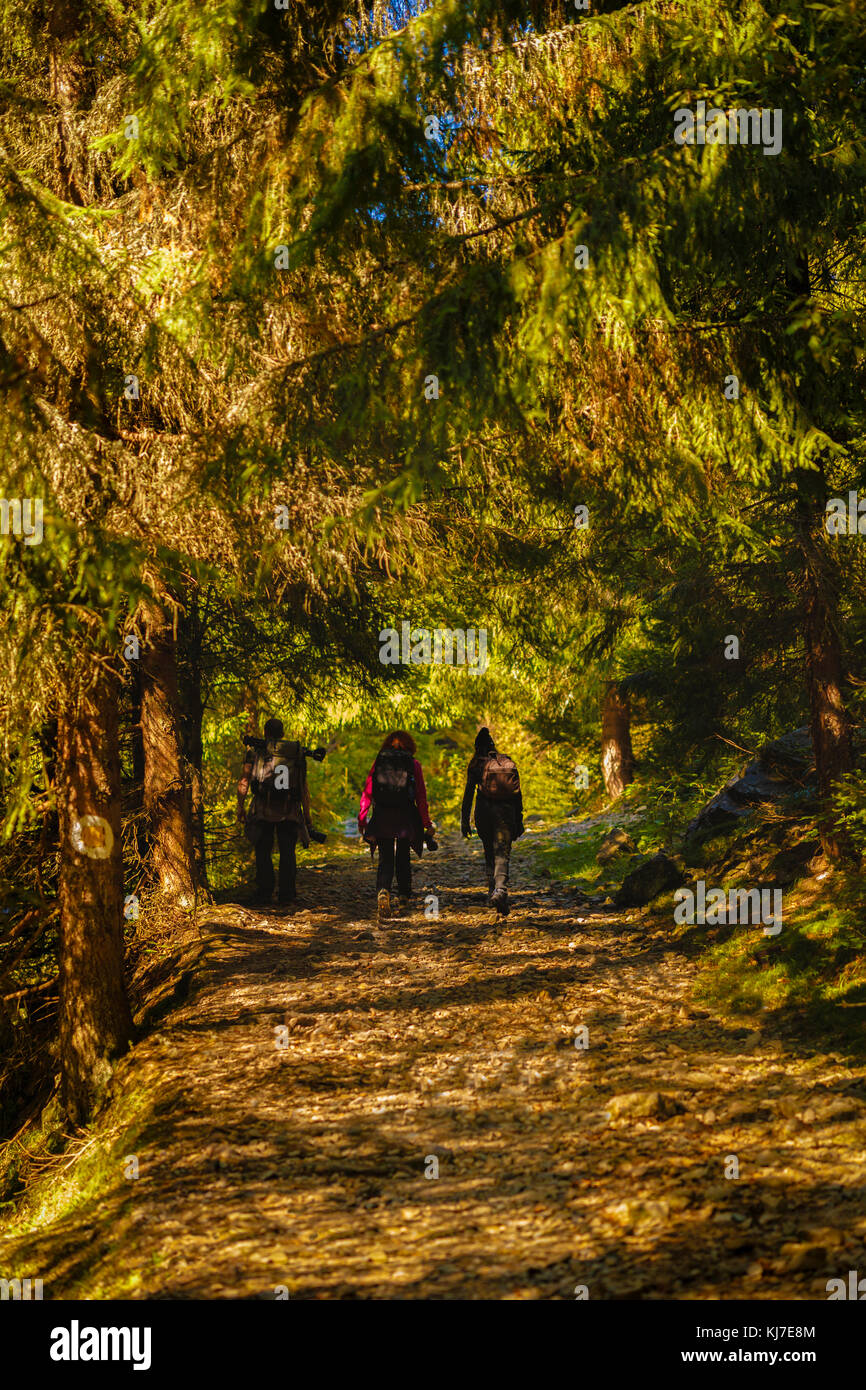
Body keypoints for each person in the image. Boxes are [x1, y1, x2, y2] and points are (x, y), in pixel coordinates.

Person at [237, 718, 325, 906]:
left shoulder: (255, 752)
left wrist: (240, 806)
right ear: (283, 733)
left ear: (265, 732)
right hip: (289, 810)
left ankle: (264, 893)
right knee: (287, 852)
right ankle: (287, 894)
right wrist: (307, 815)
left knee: (263, 851)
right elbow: (303, 787)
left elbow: (244, 781)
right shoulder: (296, 754)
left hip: (262, 809)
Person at [359, 730, 437, 920]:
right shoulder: (413, 763)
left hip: (383, 814)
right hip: (406, 816)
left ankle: (383, 891)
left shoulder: (379, 762)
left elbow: (368, 791)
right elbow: (421, 796)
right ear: (410, 746)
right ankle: (403, 897)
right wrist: (426, 823)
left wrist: (362, 817)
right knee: (403, 857)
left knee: (385, 858)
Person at [461, 726, 524, 916]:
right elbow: (517, 795)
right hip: (506, 811)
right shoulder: (506, 762)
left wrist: (465, 821)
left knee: (490, 850)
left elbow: (468, 795)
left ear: (476, 746)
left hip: (484, 812)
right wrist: (519, 818)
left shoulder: (476, 765)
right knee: (502, 852)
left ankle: (493, 891)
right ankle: (501, 889)